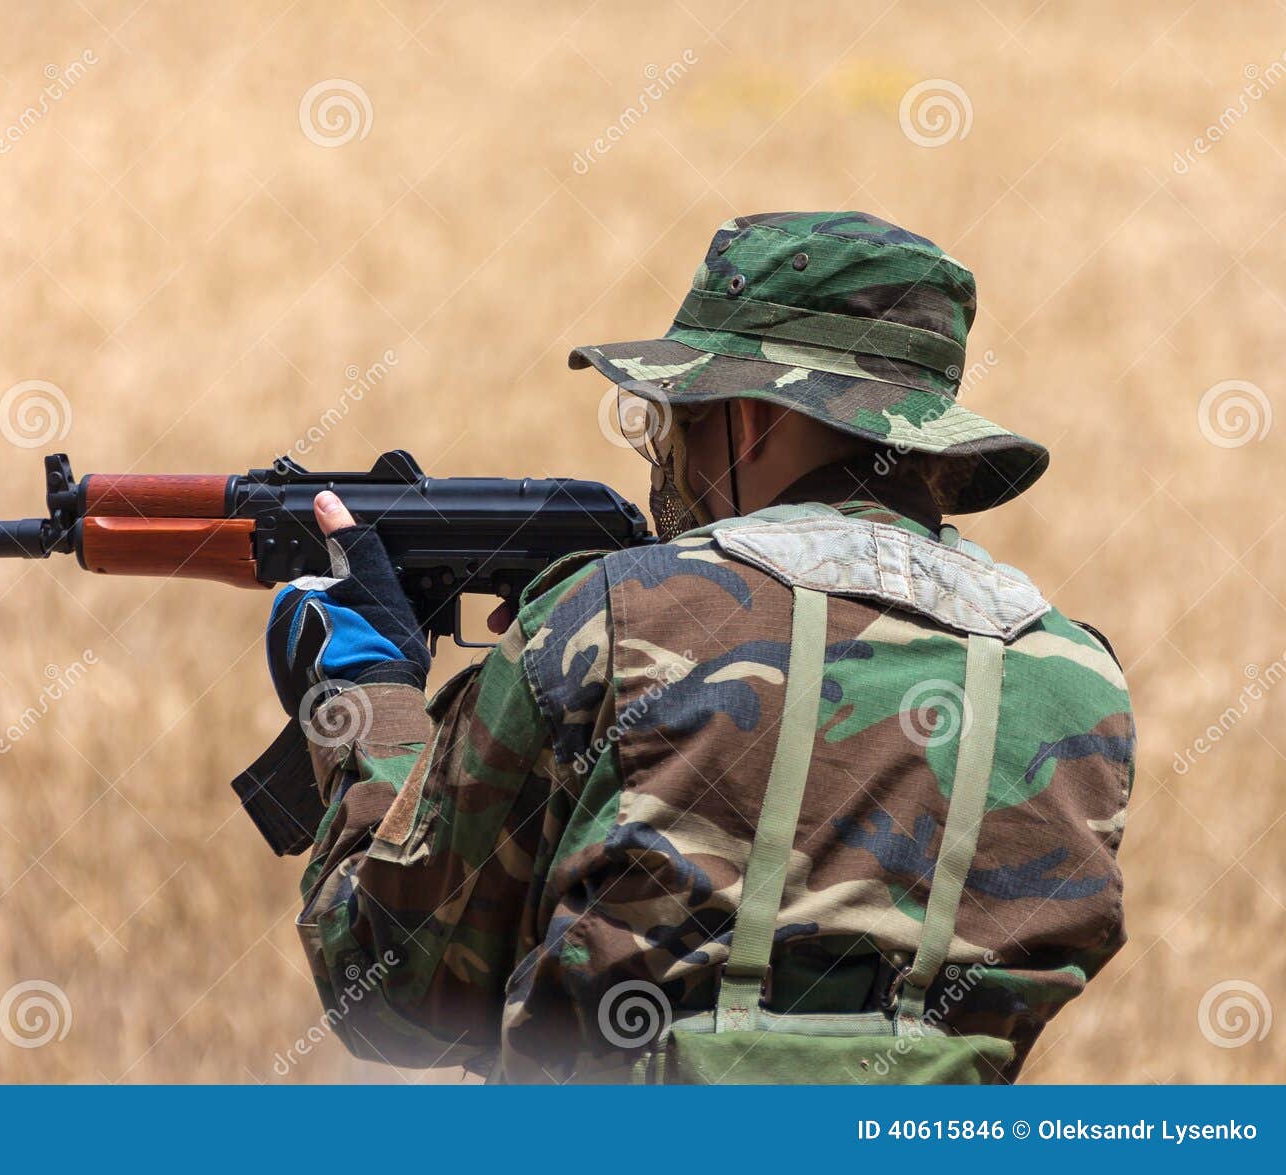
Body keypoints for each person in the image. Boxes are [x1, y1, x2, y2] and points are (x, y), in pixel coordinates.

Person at [264, 211, 1135, 1083]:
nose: (665, 451)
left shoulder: (609, 621)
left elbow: (386, 982)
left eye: (673, 416)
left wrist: (369, 700)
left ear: (749, 419)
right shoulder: (1079, 685)